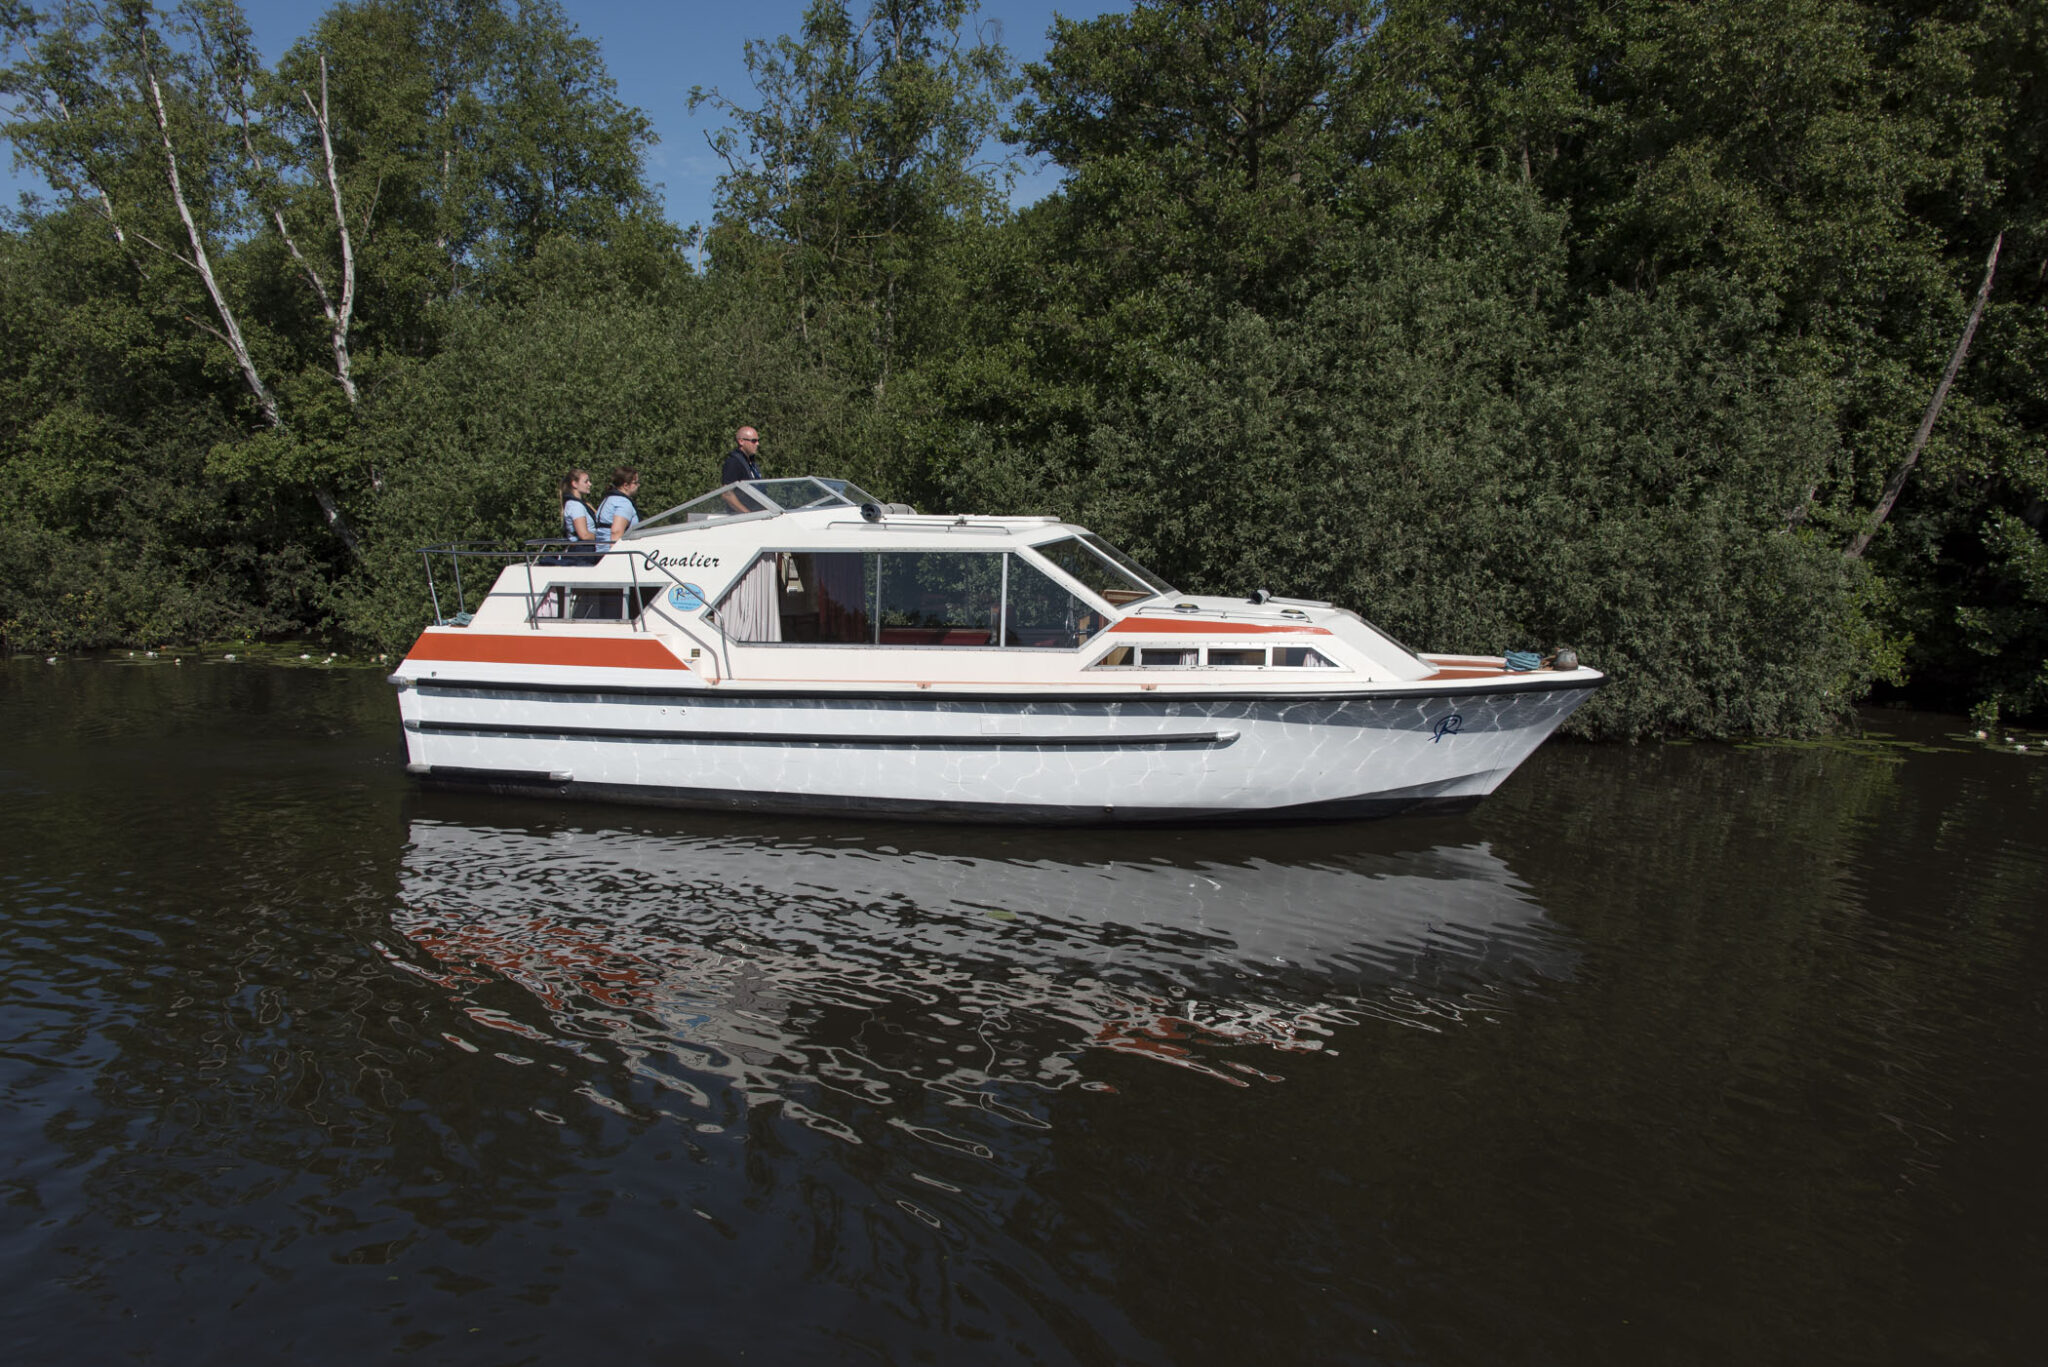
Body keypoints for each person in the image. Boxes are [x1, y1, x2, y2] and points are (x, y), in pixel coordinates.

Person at [595, 465, 642, 552]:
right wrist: (616, 557)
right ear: (626, 485)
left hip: (601, 551)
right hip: (611, 554)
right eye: (635, 482)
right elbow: (616, 532)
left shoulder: (608, 499)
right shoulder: (623, 503)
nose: (638, 485)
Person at [556, 468, 597, 562]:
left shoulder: (579, 504)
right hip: (583, 553)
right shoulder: (575, 506)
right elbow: (584, 535)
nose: (589, 484)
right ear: (574, 484)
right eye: (586, 482)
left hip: (586, 551)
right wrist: (604, 537)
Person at [721, 426, 764, 512]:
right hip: (744, 520)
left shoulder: (751, 463)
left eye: (758, 441)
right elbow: (727, 494)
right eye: (754, 441)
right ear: (741, 441)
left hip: (758, 515)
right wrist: (748, 514)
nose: (757, 444)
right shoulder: (733, 462)